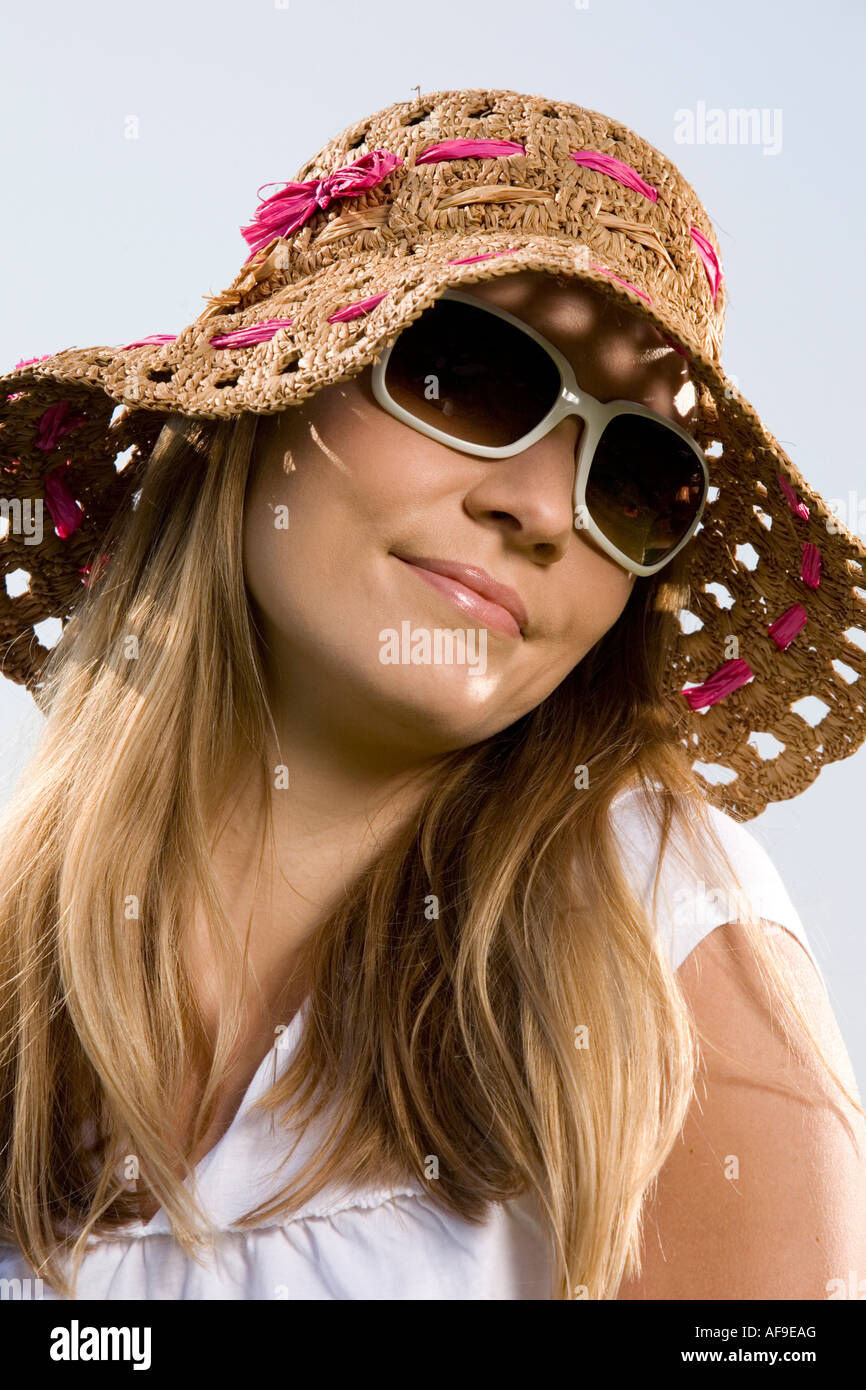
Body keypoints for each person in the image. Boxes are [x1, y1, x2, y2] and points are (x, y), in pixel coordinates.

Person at [0, 87, 864, 1302]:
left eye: (635, 476)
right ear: (266, 395)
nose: (546, 509)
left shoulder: (651, 941)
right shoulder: (18, 972)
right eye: (473, 374)